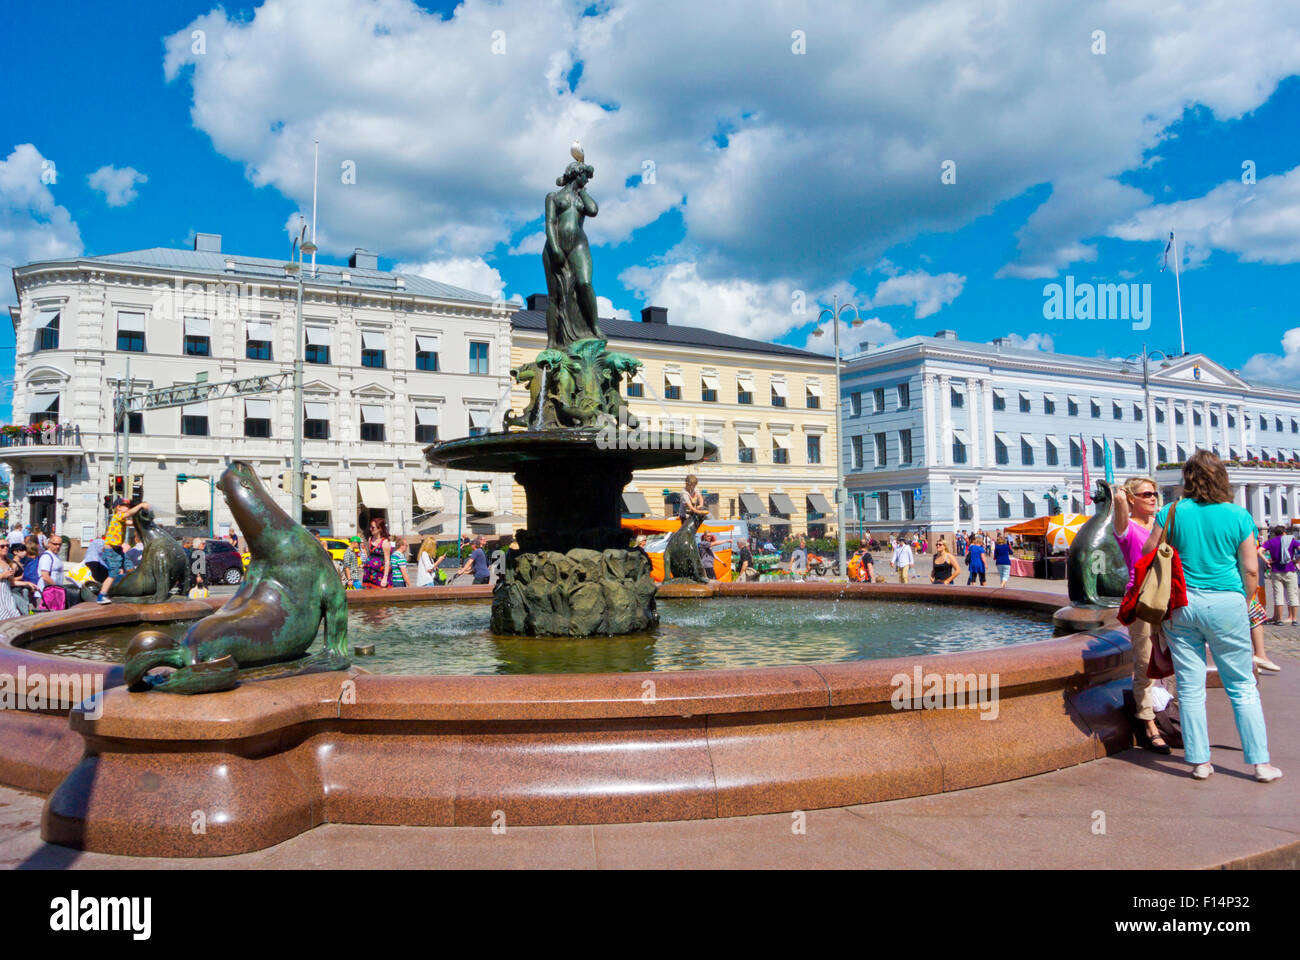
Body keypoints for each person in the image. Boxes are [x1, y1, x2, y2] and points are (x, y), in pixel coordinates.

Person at [1140, 451, 1281, 783]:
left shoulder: (1172, 511)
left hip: (1182, 604)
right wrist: (1242, 601)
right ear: (1222, 478)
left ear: (1188, 479)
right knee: (1242, 685)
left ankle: (1200, 762)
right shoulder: (1238, 515)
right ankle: (1260, 764)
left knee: (1189, 687)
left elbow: (1148, 553)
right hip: (1227, 603)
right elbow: (1250, 568)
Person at [1112, 475, 1173, 753]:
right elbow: (1120, 520)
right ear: (1132, 498)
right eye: (1146, 494)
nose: (1152, 498)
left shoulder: (1161, 525)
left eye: (1154, 494)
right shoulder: (1128, 529)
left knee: (1168, 659)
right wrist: (1119, 501)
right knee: (1145, 662)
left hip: (1167, 599)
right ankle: (1148, 724)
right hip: (1141, 601)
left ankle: (1165, 709)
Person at [97, 498, 149, 604]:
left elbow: (133, 522)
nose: (129, 508)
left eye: (129, 506)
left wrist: (145, 520)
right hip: (111, 551)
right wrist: (140, 506)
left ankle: (133, 588)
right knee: (113, 573)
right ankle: (101, 595)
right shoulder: (117, 516)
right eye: (126, 506)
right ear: (118, 508)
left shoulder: (122, 520)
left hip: (118, 549)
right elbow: (128, 514)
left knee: (130, 568)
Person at [1259, 524, 1299, 625]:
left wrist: (1267, 561)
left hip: (1276, 571)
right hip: (1290, 570)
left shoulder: (1271, 541)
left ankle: (1279, 619)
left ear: (1274, 533)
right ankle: (1294, 620)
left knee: (1278, 595)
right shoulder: (1291, 541)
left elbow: (1259, 551)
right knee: (1293, 595)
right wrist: (1297, 561)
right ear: (1284, 532)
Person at [37, 534, 67, 611]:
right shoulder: (46, 557)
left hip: (54, 593)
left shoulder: (56, 556)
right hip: (45, 594)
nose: (57, 546)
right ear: (49, 544)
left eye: (59, 544)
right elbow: (45, 576)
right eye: (55, 544)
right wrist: (57, 588)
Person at [363, 517, 394, 587]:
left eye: (373, 527)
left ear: (380, 528)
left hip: (380, 574)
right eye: (370, 527)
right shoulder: (370, 539)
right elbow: (370, 555)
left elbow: (387, 561)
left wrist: (385, 577)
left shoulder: (385, 542)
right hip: (369, 573)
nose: (371, 529)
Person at [0, 543, 24, 620]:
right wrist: (2, 576)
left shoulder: (9, 562)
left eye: (7, 546)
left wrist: (28, 583)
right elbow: (4, 576)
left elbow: (12, 582)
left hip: (7, 596)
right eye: (2, 546)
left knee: (15, 619)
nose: (5, 548)